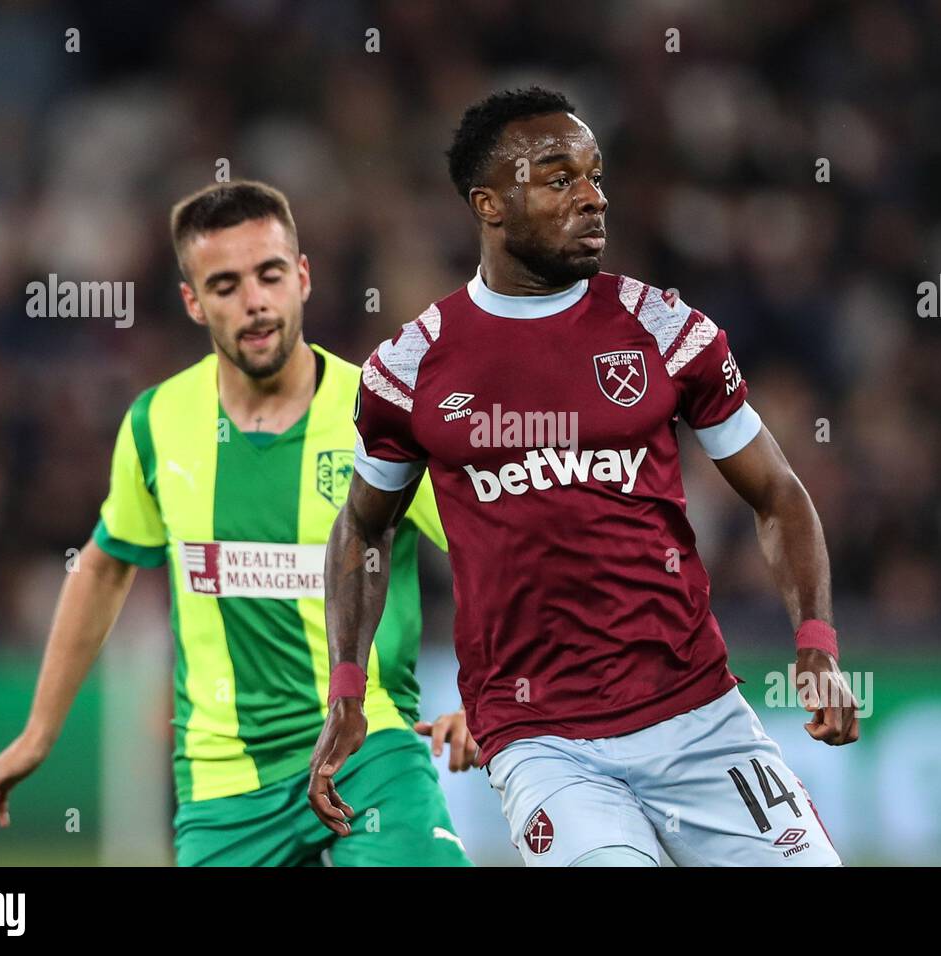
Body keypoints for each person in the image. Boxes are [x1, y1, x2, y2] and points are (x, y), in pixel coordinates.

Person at [310, 88, 858, 867]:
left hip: (700, 716)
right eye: (560, 178)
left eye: (595, 176)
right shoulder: (408, 371)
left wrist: (815, 641)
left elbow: (778, 494)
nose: (594, 198)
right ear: (490, 205)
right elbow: (364, 527)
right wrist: (346, 688)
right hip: (542, 742)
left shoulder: (664, 329)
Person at [0, 181, 473, 866]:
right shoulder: (158, 422)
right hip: (223, 786)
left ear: (303, 277)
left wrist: (490, 690)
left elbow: (491, 551)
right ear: (193, 301)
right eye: (225, 285)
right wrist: (38, 734)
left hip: (368, 747)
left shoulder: (381, 413)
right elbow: (105, 565)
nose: (254, 301)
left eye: (269, 275)